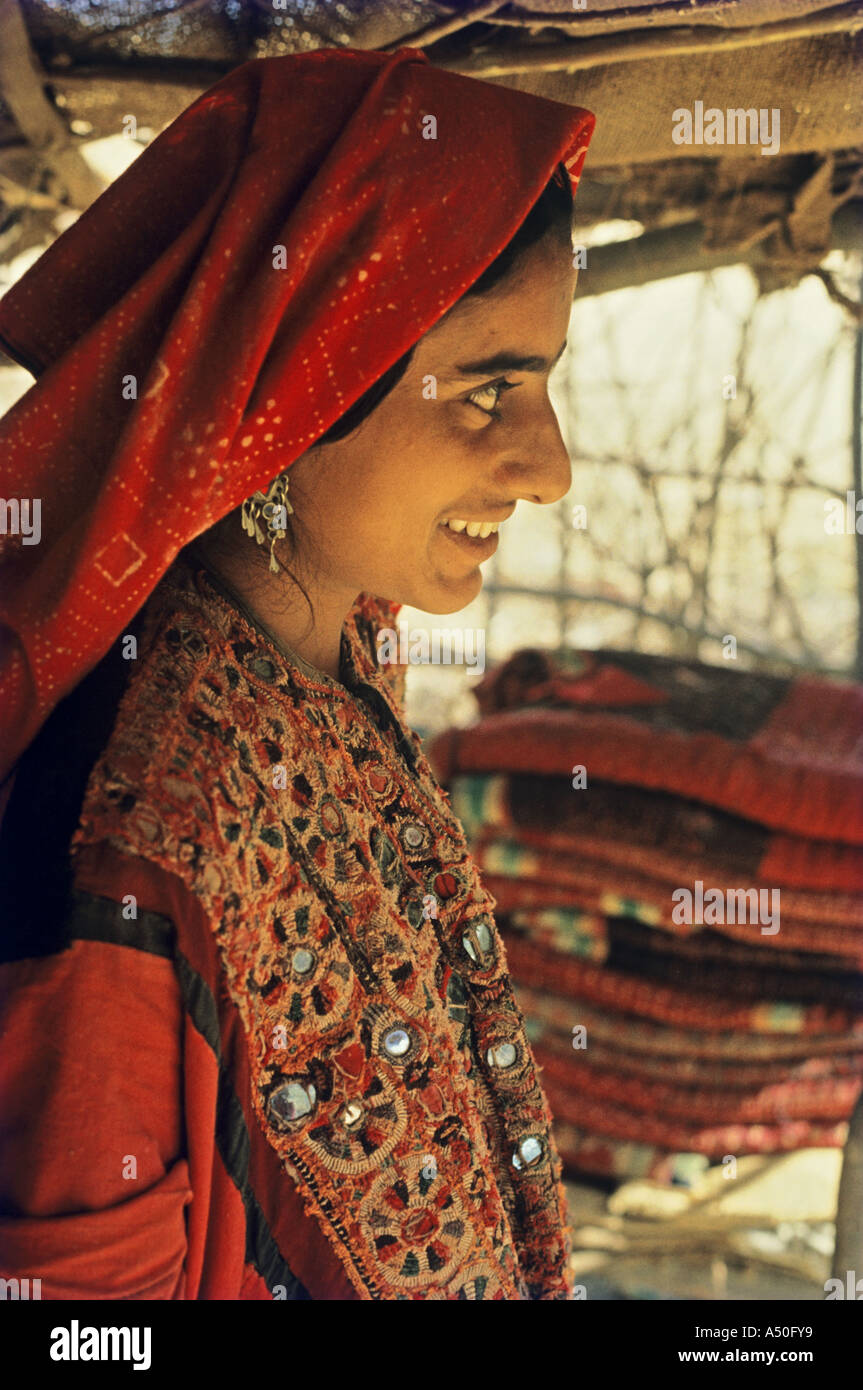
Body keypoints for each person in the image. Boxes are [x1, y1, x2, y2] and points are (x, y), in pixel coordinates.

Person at [0, 45, 595, 1300]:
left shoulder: (331, 661)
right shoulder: (142, 817)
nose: (549, 467)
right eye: (489, 393)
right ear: (295, 384)